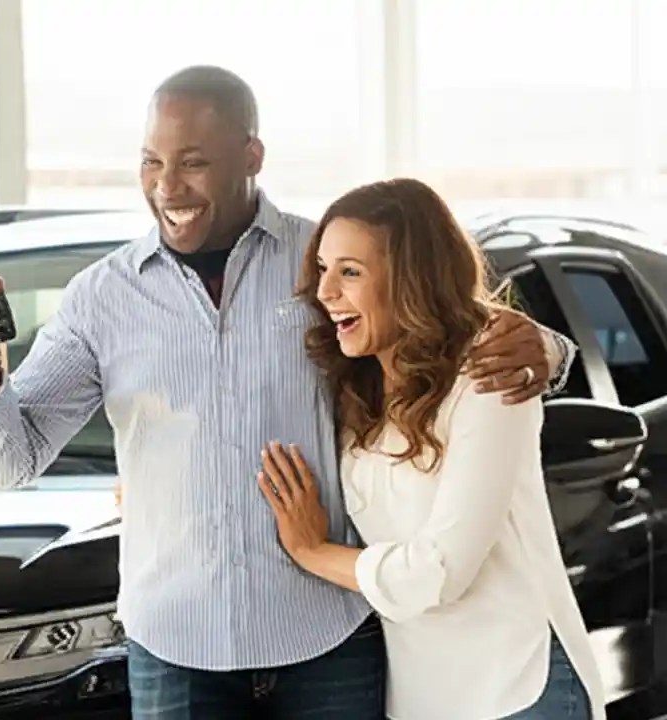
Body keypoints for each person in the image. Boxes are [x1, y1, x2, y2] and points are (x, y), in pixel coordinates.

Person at [0, 65, 577, 718]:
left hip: (331, 638)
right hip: (179, 648)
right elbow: (5, 464)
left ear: (252, 156)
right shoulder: (101, 298)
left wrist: (548, 349)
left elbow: (436, 328)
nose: (167, 186)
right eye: (151, 162)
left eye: (192, 162)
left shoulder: (325, 262)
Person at [256, 177, 603, 719]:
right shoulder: (353, 383)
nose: (324, 292)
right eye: (323, 269)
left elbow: (440, 570)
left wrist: (312, 552)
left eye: (350, 272)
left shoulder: (488, 378)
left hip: (517, 687)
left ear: (411, 281)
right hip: (423, 695)